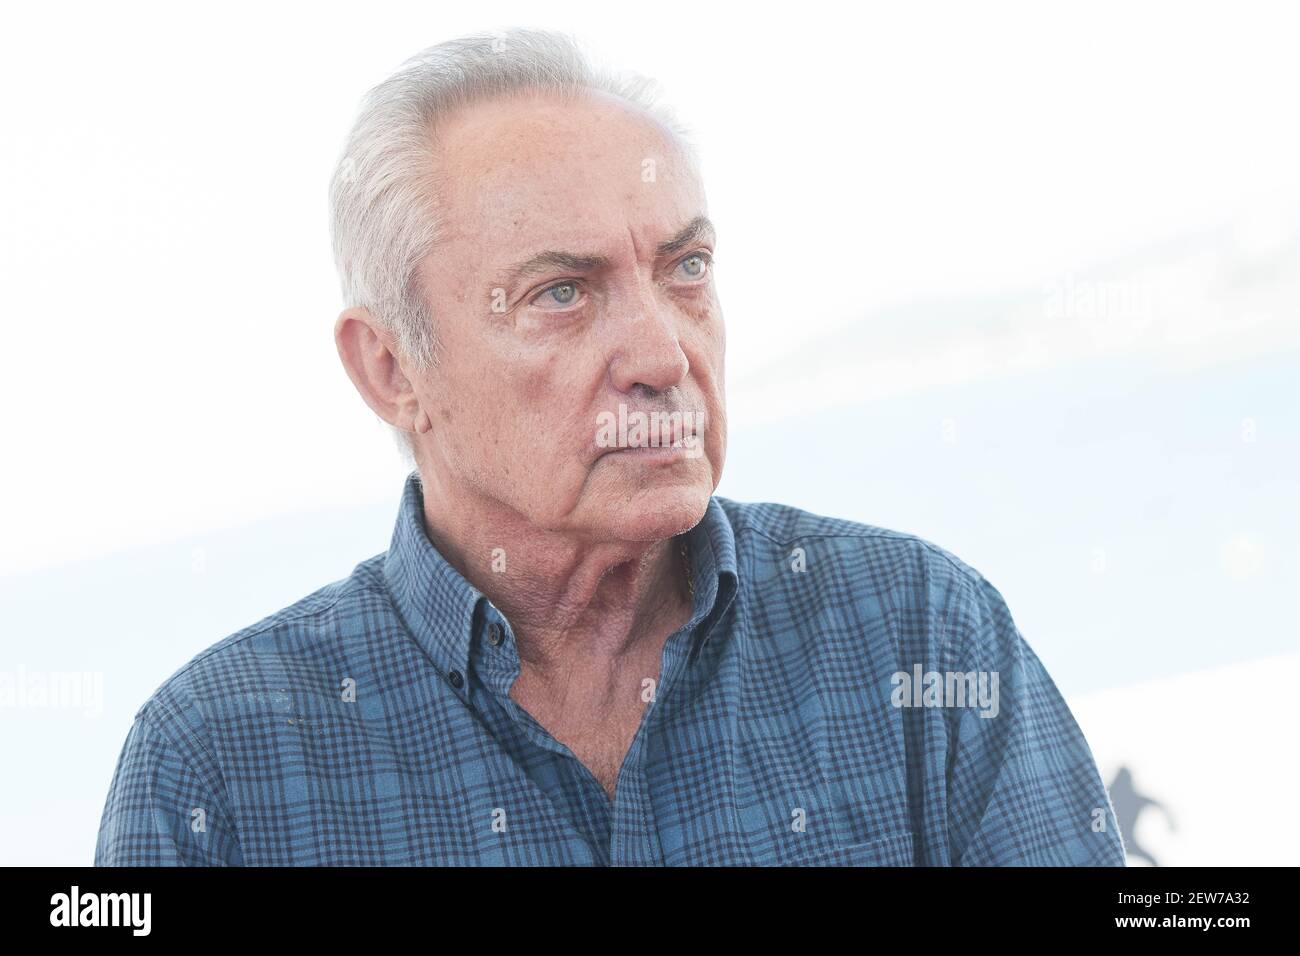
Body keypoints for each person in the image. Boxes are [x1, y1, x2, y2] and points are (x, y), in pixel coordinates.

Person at [95, 27, 1125, 866]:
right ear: (392, 370)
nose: (661, 352)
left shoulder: (920, 630)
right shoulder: (217, 761)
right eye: (561, 291)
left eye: (685, 268)